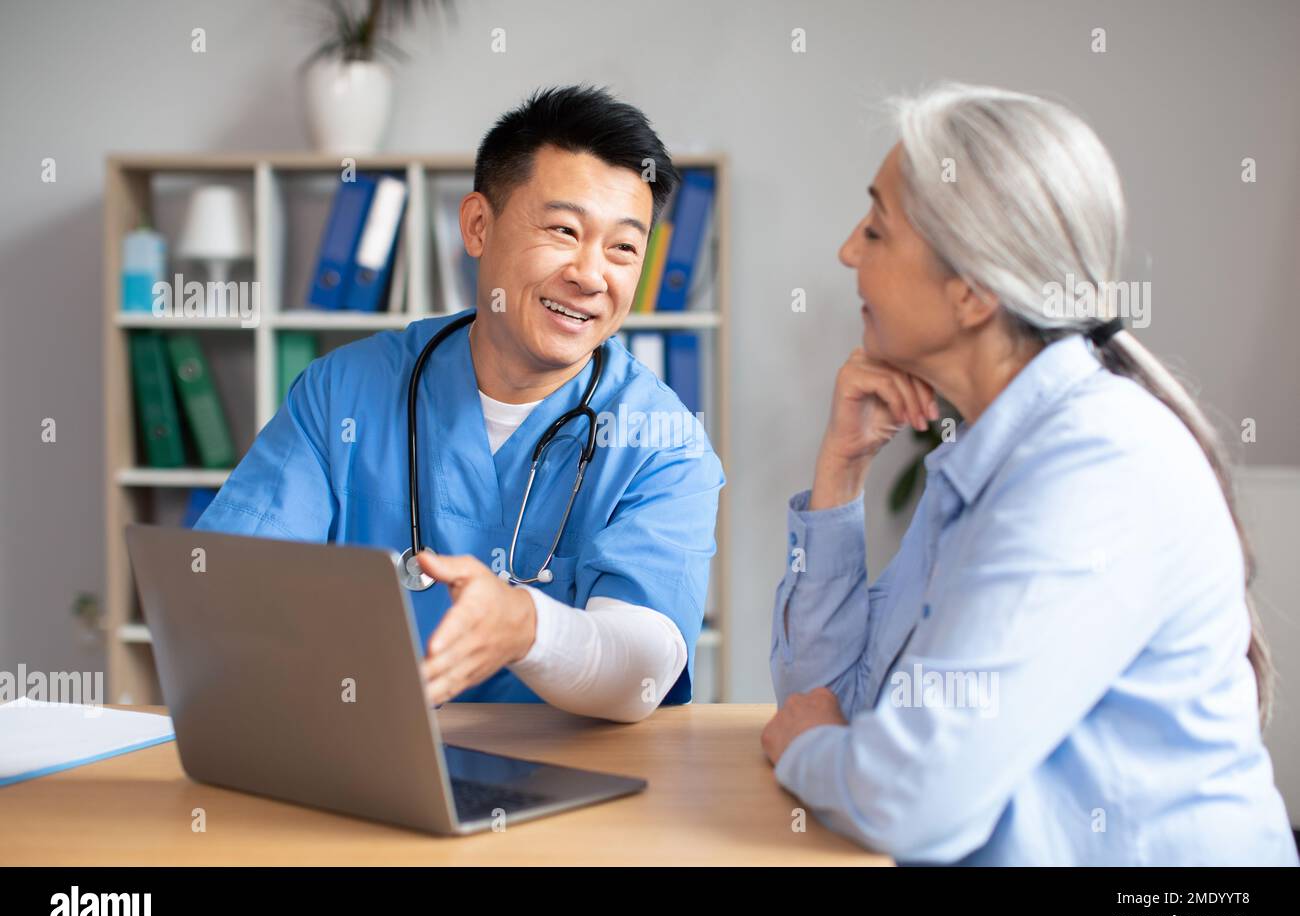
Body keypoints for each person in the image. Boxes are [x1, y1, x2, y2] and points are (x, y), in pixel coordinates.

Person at [761, 82, 1297, 865]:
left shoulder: (1095, 465)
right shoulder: (987, 463)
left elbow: (911, 798)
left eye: (876, 230)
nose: (848, 251)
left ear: (972, 292)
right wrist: (839, 479)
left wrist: (812, 750)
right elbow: (829, 701)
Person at [196, 86, 723, 722]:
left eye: (623, 248)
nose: (591, 275)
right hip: (364, 756)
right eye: (563, 230)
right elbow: (224, 587)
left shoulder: (662, 440)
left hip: (569, 784)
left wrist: (526, 628)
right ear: (477, 224)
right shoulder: (343, 394)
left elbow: (642, 668)